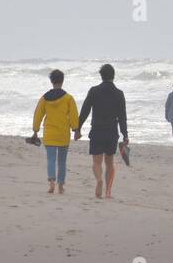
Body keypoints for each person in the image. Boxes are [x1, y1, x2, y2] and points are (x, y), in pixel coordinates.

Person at [76, 63, 128, 199]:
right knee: (109, 162)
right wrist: (125, 135)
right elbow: (122, 117)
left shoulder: (94, 91)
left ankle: (99, 180)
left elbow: (85, 111)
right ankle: (108, 191)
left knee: (96, 162)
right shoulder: (119, 94)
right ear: (113, 76)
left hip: (97, 130)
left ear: (101, 76)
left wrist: (78, 128)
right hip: (111, 131)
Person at [31, 69, 79, 194]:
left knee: (51, 159)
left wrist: (35, 130)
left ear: (51, 81)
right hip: (63, 134)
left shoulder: (44, 98)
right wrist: (75, 130)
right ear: (62, 81)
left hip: (49, 133)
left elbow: (38, 115)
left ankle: (52, 182)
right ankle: (61, 186)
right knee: (62, 161)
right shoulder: (68, 98)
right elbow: (74, 115)